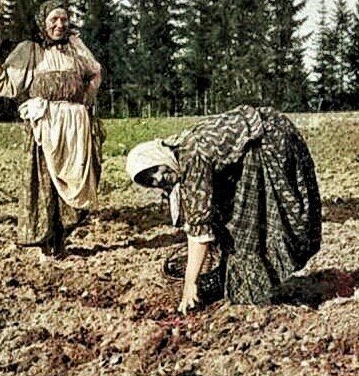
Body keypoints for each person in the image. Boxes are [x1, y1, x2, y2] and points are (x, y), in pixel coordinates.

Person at [126, 105, 322, 313]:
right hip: (260, 137)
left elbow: (199, 232)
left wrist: (189, 284)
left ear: (160, 157)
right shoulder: (178, 152)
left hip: (269, 141)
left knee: (247, 225)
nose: (157, 179)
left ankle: (256, 289)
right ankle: (249, 281)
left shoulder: (191, 156)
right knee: (229, 216)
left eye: (154, 170)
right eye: (149, 181)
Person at [0, 0, 104, 257]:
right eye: (54, 20)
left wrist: (87, 97)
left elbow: (95, 72)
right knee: (44, 186)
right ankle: (44, 245)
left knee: (75, 186)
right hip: (44, 127)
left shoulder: (75, 46)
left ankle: (62, 241)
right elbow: (5, 84)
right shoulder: (30, 50)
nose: (60, 25)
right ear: (43, 23)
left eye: (63, 19)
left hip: (74, 127)